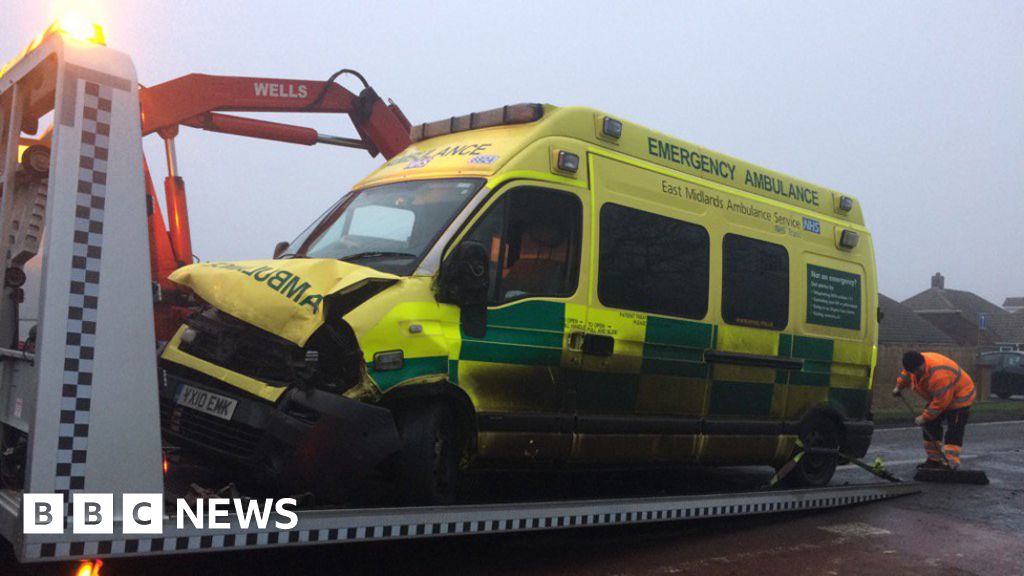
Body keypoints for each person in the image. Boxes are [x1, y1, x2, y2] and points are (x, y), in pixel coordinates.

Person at [892, 351, 976, 470]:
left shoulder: (939, 375)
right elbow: (905, 375)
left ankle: (950, 462)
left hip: (960, 397)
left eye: (918, 370)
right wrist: (898, 387)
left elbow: (940, 403)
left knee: (954, 429)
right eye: (913, 371)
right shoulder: (913, 365)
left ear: (922, 363)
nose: (916, 373)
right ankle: (934, 460)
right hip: (942, 395)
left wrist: (924, 417)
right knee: (930, 425)